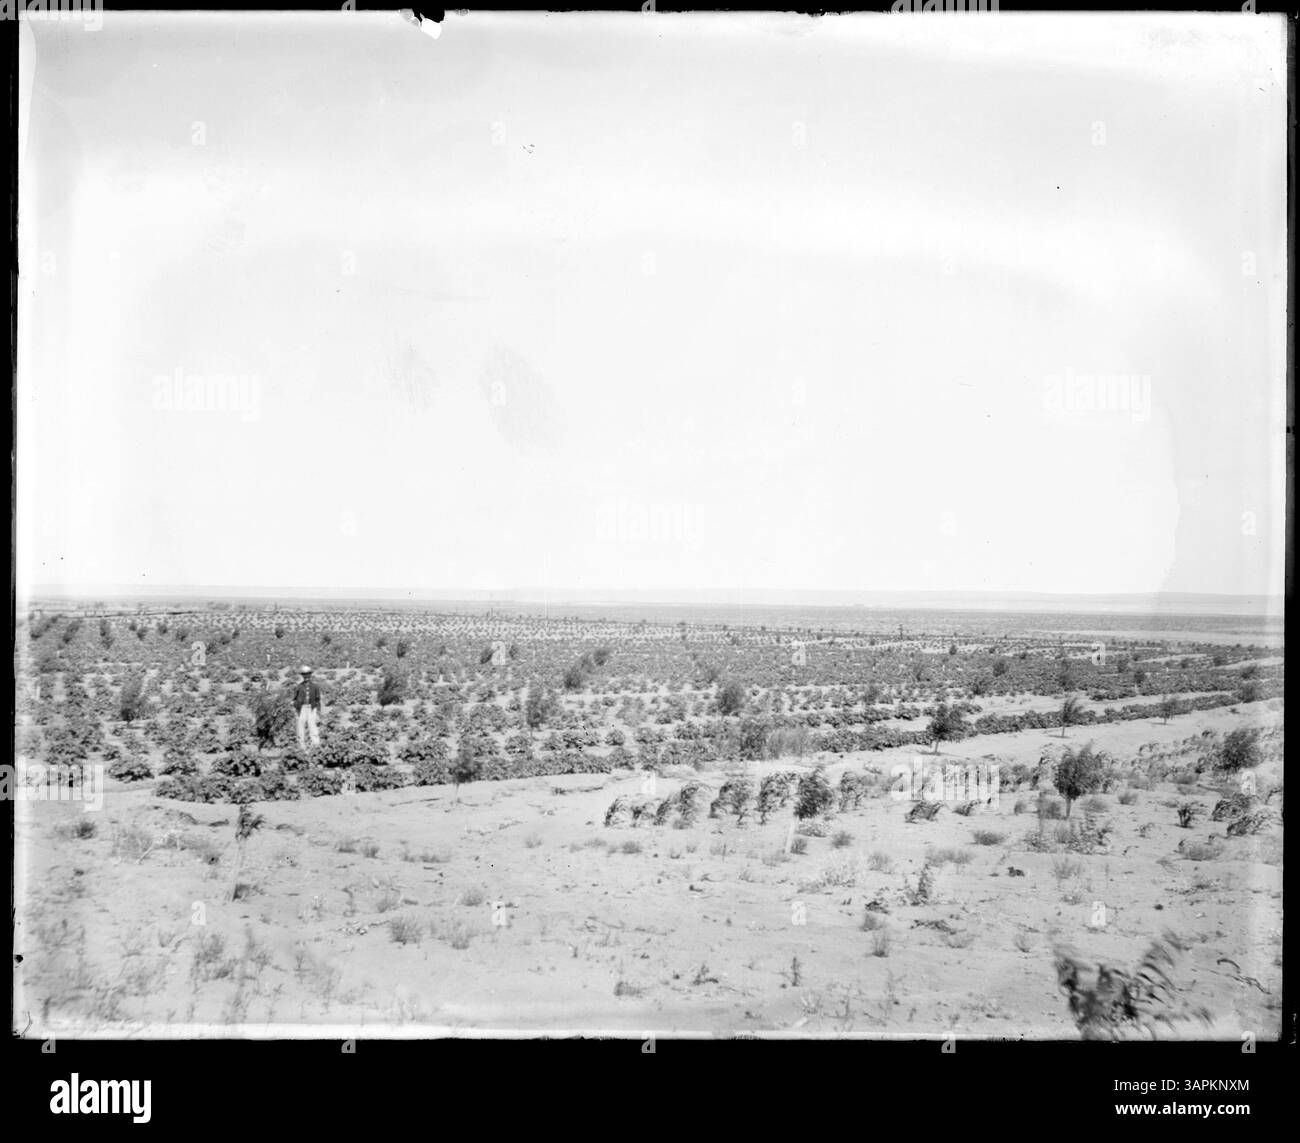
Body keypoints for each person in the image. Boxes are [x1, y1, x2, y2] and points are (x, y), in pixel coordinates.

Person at [293, 665, 322, 749]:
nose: (306, 676)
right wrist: (296, 708)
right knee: (300, 727)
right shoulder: (299, 686)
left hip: (311, 708)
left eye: (308, 674)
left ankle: (316, 746)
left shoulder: (315, 686)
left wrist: (318, 712)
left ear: (310, 675)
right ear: (302, 676)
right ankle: (301, 747)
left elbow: (318, 699)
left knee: (313, 727)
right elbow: (294, 698)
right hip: (301, 708)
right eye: (304, 675)